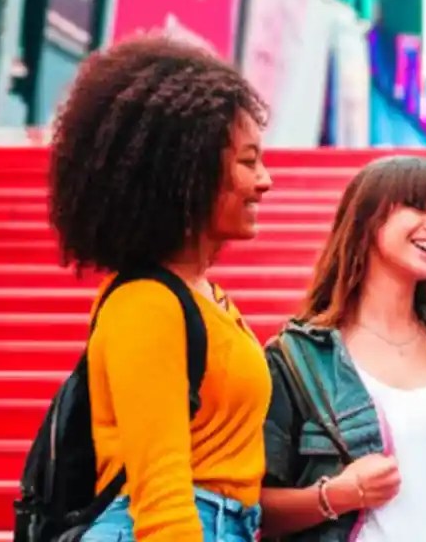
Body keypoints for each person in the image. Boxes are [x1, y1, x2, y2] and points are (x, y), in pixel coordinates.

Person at [48, 34, 274, 542]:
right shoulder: (146, 304)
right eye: (247, 161)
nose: (266, 180)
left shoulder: (205, 299)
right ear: (186, 172)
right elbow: (161, 492)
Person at [259, 155, 426, 542]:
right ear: (367, 219)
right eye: (418, 206)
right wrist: (335, 496)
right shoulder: (298, 358)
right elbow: (254, 509)